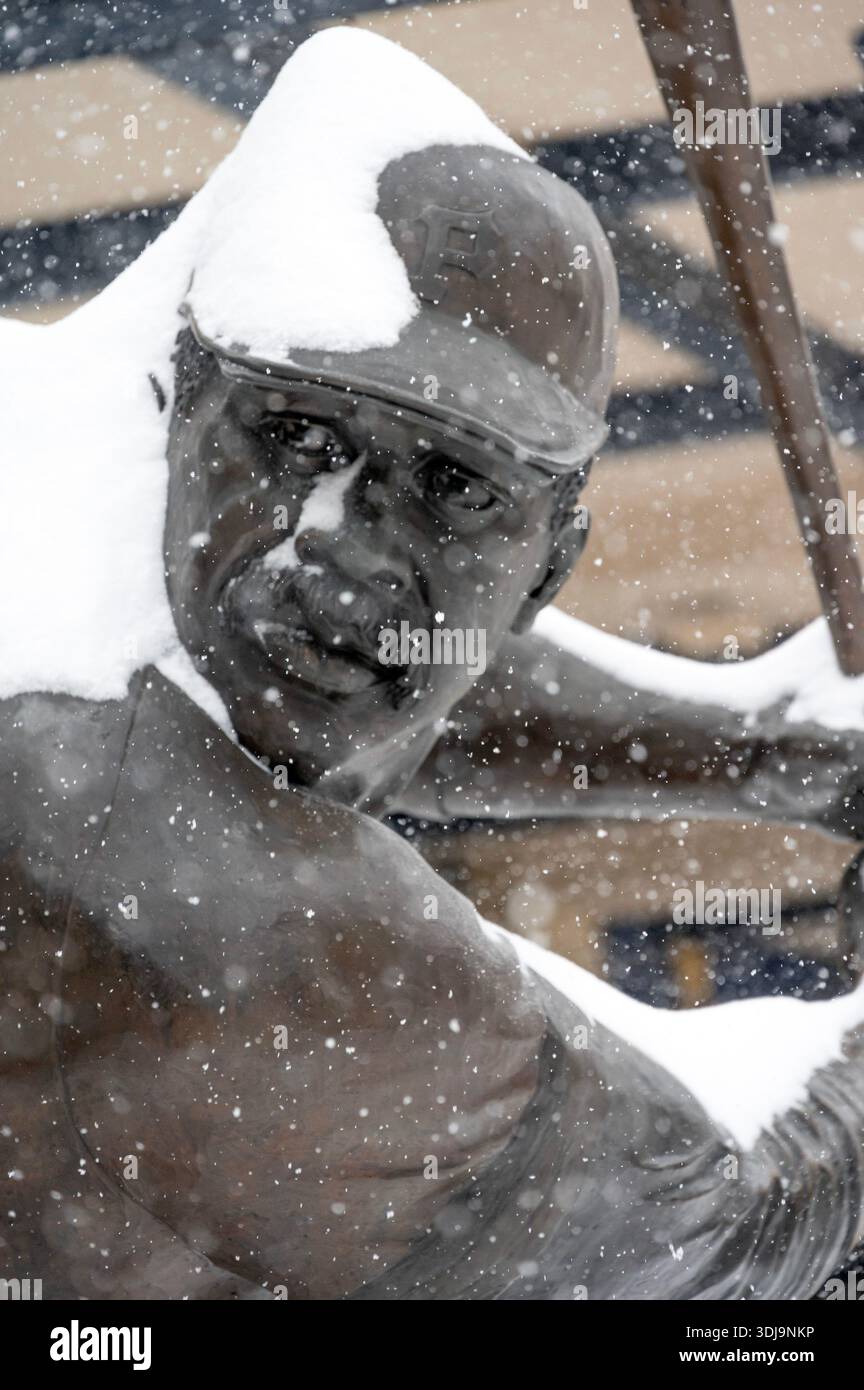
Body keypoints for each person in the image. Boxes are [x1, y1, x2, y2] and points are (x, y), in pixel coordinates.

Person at [2, 27, 863, 1301]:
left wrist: (787, 747)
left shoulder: (54, 450)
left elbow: (350, 676)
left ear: (550, 564)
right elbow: (721, 1229)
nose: (338, 552)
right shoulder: (239, 919)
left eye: (454, 486)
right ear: (181, 403)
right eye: (295, 435)